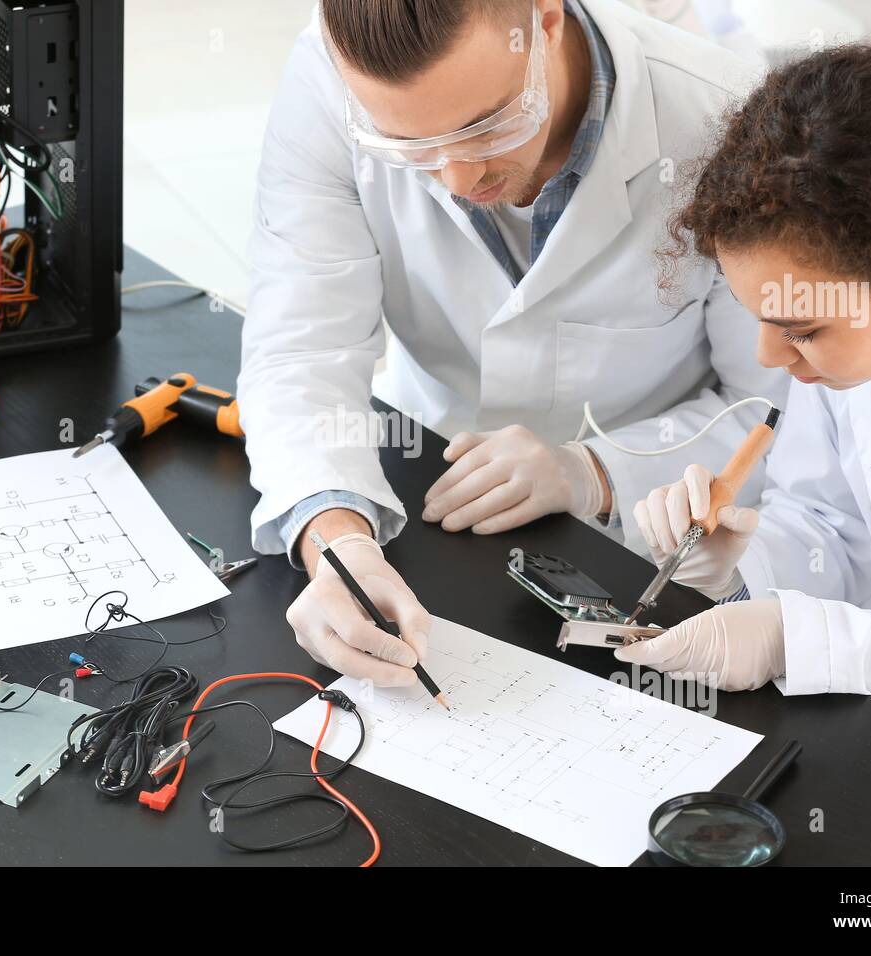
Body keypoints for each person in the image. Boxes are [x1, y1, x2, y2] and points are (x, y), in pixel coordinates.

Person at [239, 0, 785, 686]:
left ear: (545, 21)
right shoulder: (329, 81)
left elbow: (770, 413)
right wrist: (337, 539)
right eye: (409, 148)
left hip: (638, 539)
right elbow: (299, 348)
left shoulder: (725, 117)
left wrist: (597, 473)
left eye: (483, 126)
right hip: (427, 491)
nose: (459, 182)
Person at [621, 44, 871, 777]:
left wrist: (805, 642)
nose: (771, 358)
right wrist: (744, 565)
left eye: (802, 328)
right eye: (758, 319)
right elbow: (838, 529)